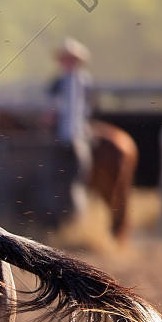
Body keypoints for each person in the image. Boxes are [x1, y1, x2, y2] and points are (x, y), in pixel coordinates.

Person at [48, 38, 92, 218]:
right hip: (62, 134)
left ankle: (78, 214)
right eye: (66, 59)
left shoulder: (84, 81)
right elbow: (51, 110)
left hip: (77, 133)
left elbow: (87, 107)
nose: (68, 62)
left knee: (78, 176)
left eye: (71, 59)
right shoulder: (58, 83)